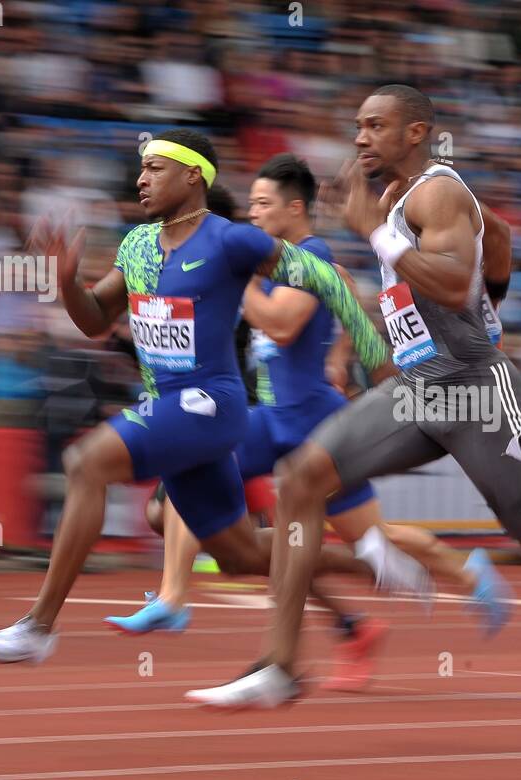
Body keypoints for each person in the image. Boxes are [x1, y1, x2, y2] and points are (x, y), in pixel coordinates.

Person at [183, 86, 521, 710]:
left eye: (375, 126)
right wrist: (491, 298)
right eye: (358, 126)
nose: (361, 138)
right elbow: (496, 235)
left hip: (476, 389)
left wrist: (388, 244)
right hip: (420, 389)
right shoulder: (401, 198)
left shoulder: (437, 193)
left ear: (416, 132)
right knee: (302, 479)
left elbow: (450, 284)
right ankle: (279, 665)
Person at [0, 129, 397, 663]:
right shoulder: (137, 245)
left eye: (156, 169)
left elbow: (327, 281)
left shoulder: (233, 241)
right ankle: (373, 567)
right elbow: (96, 320)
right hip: (173, 407)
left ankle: (37, 627)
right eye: (141, 169)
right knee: (237, 554)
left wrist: (377, 360)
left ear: (194, 176)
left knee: (84, 463)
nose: (141, 179)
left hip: (211, 403)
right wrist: (68, 285)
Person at [108, 154, 493, 691]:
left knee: (365, 538)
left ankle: (466, 575)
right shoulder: (272, 264)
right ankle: (176, 596)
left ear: (294, 208)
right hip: (271, 419)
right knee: (181, 493)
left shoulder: (312, 255)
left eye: (263, 205)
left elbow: (289, 324)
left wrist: (352, 357)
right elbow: (329, 316)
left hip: (315, 423)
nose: (253, 214)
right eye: (250, 206)